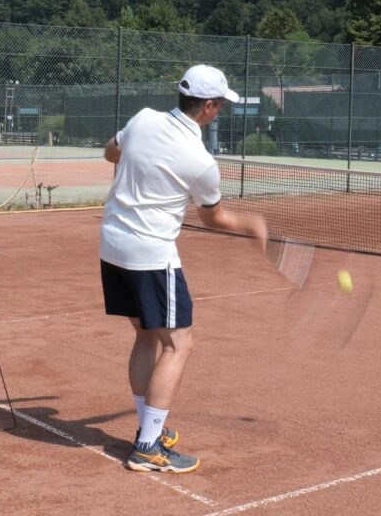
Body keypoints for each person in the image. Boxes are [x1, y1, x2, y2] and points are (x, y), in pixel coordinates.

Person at [100, 65, 268, 474]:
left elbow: (110, 152)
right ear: (208, 106)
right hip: (152, 256)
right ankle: (148, 446)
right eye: (221, 106)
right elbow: (214, 220)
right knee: (179, 344)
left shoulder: (142, 119)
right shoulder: (201, 161)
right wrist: (252, 225)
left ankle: (148, 427)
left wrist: (141, 173)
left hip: (112, 245)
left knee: (144, 337)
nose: (221, 112)